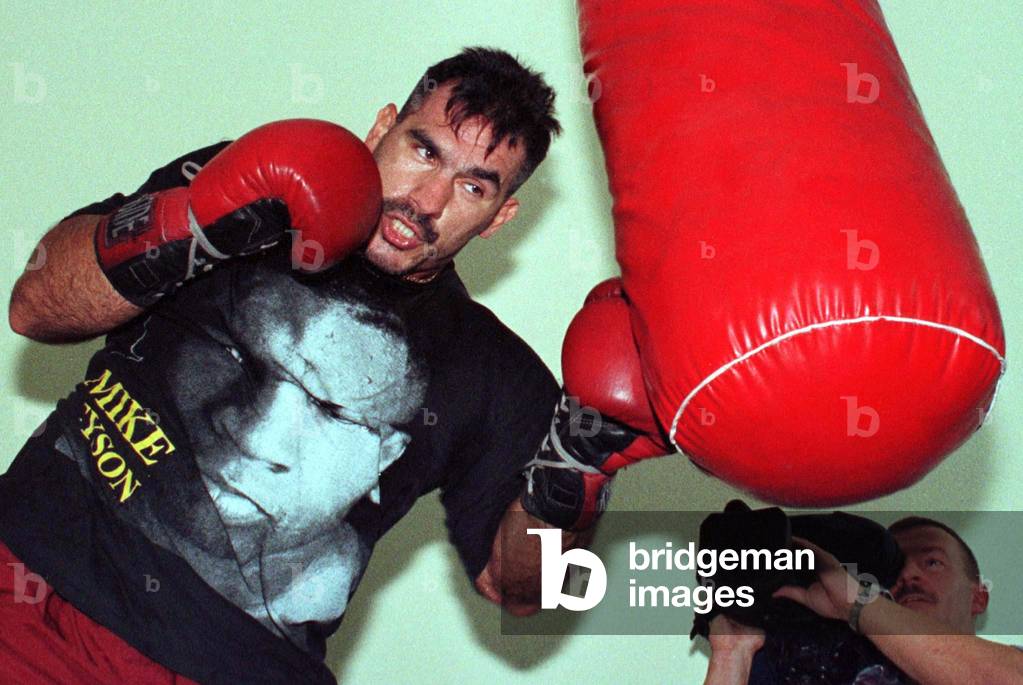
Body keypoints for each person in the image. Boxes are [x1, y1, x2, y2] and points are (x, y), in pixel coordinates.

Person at [0, 47, 619, 684]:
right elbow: (35, 308)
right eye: (424, 150)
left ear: (500, 216)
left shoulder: (491, 371)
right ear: (381, 129)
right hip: (24, 582)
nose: (427, 200)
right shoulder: (252, 196)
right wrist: (193, 220)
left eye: (472, 186)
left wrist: (574, 472)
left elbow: (521, 589)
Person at [704, 516, 1023, 685]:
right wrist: (733, 654)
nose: (908, 574)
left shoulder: (1008, 666)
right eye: (895, 567)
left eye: (932, 562)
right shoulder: (828, 668)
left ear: (978, 596)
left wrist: (857, 604)